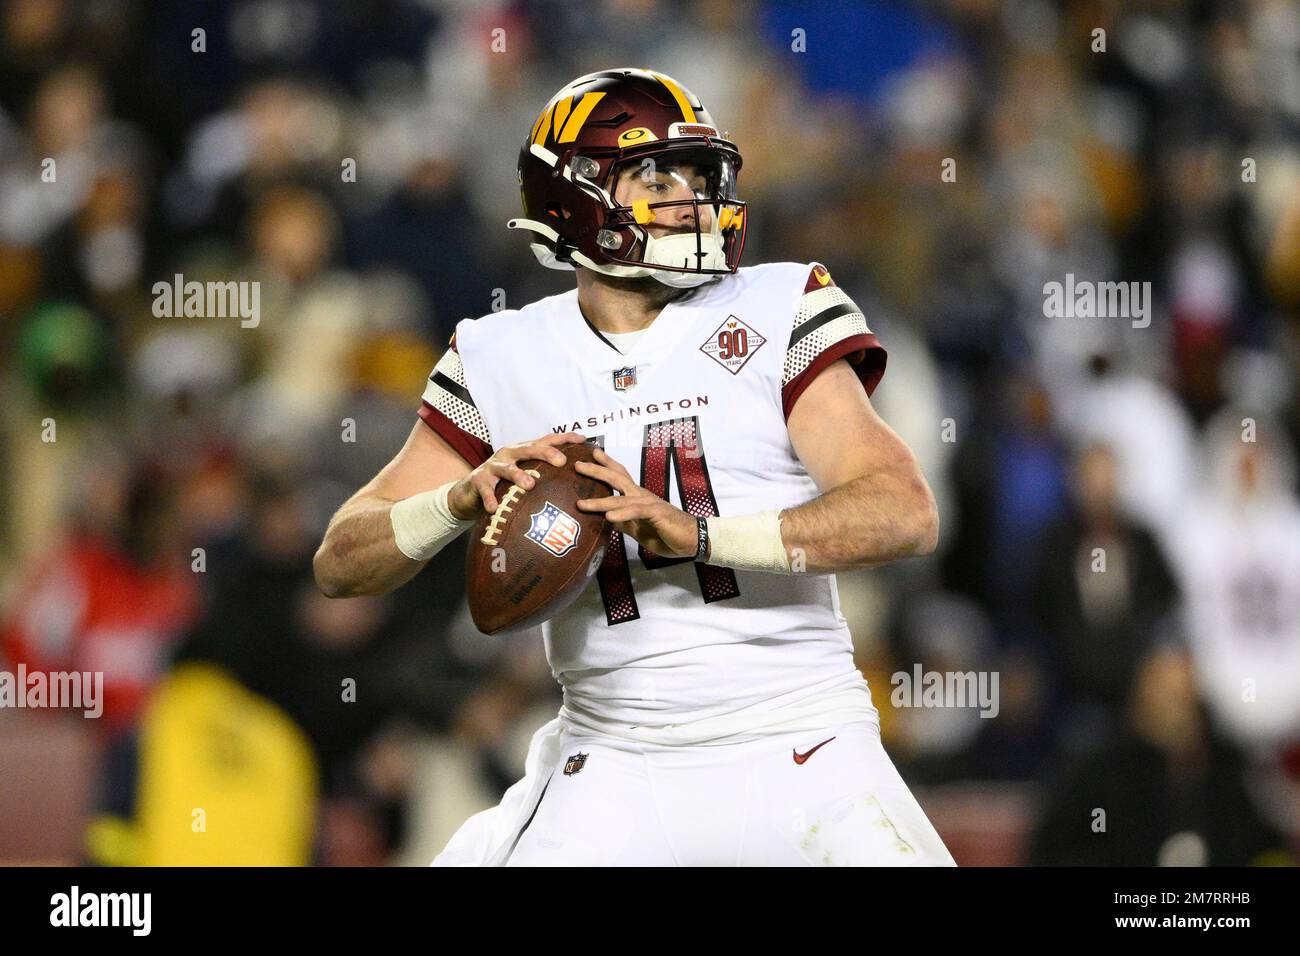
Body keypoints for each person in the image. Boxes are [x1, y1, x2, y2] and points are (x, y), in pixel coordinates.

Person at [314, 68, 953, 866]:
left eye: (697, 174)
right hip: (610, 754)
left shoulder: (776, 304)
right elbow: (342, 561)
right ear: (574, 196)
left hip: (799, 734)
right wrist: (456, 499)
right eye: (657, 175)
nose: (689, 197)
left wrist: (699, 535)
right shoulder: (500, 355)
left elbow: (903, 512)